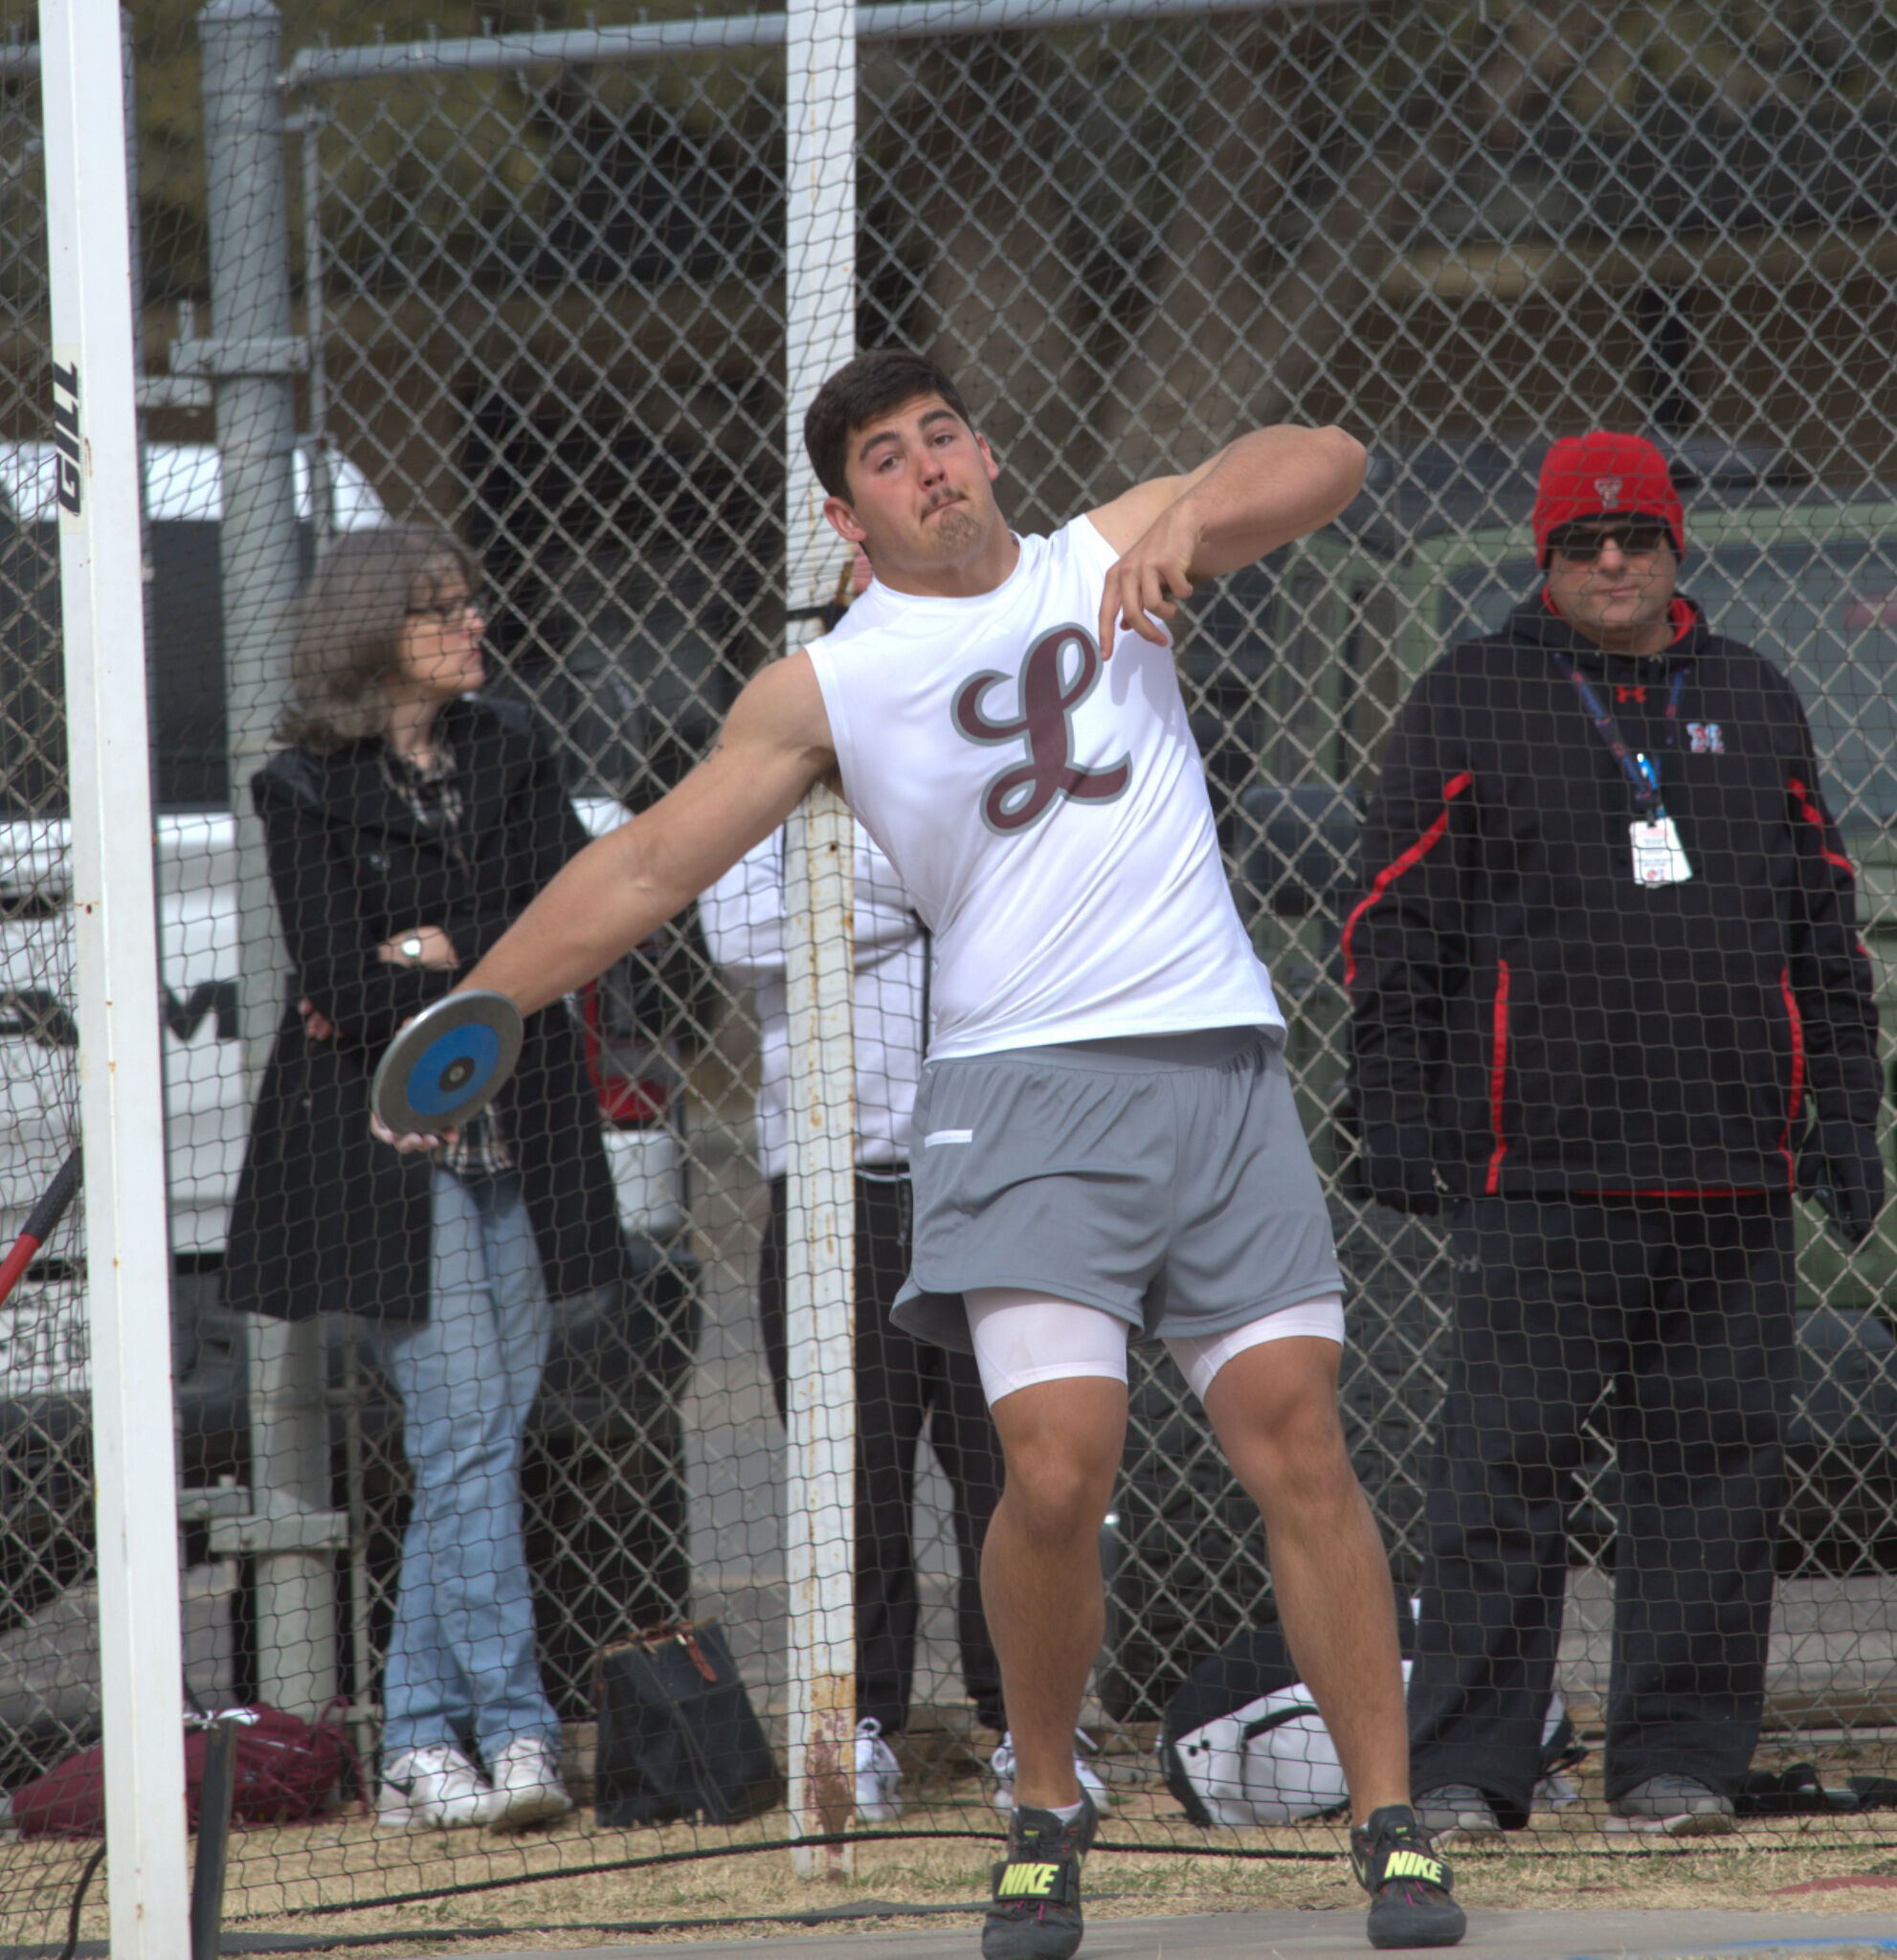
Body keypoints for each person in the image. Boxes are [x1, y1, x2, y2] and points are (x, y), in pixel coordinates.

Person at [388, 349, 1465, 1954]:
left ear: (986, 451)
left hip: (1215, 1063)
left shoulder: (1103, 554)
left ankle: (1391, 1830)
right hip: (1019, 1090)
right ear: (848, 515)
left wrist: (1189, 525)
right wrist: (490, 997)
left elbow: (1325, 451)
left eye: (945, 437)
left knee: (1296, 1437)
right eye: (888, 458)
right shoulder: (829, 684)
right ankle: (1043, 1808)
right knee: (1054, 1460)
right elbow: (648, 865)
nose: (931, 469)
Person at [1349, 432, 1884, 1839]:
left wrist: (1846, 1114)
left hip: (1726, 1174)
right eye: (1580, 545)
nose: (1607, 563)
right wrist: (1391, 1108)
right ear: (1543, 556)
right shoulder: (1473, 692)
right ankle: (1466, 1767)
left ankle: (1678, 1764)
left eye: (1632, 541)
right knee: (1499, 1477)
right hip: (1544, 1170)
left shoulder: (1753, 700)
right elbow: (1387, 919)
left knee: (1712, 1474)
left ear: (1670, 552)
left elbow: (1826, 930)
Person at [226, 526, 630, 1832]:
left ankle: (413, 1743)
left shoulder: (511, 750)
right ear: (368, 634)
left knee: (475, 1446)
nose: (472, 625)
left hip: (522, 1134)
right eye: (438, 611)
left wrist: (447, 946)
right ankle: (514, 1735)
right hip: (393, 1159)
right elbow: (338, 979)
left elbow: (559, 913)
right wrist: (466, 953)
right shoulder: (302, 785)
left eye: (470, 600)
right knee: (465, 1443)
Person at [701, 815, 1019, 1820]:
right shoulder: (779, 781)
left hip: (993, 1174)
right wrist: (924, 890)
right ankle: (862, 1723)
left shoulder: (962, 757)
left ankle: (1025, 1728)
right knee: (855, 1481)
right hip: (839, 1186)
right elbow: (743, 928)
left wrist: (857, 903)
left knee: (1008, 1469)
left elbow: (1016, 905)